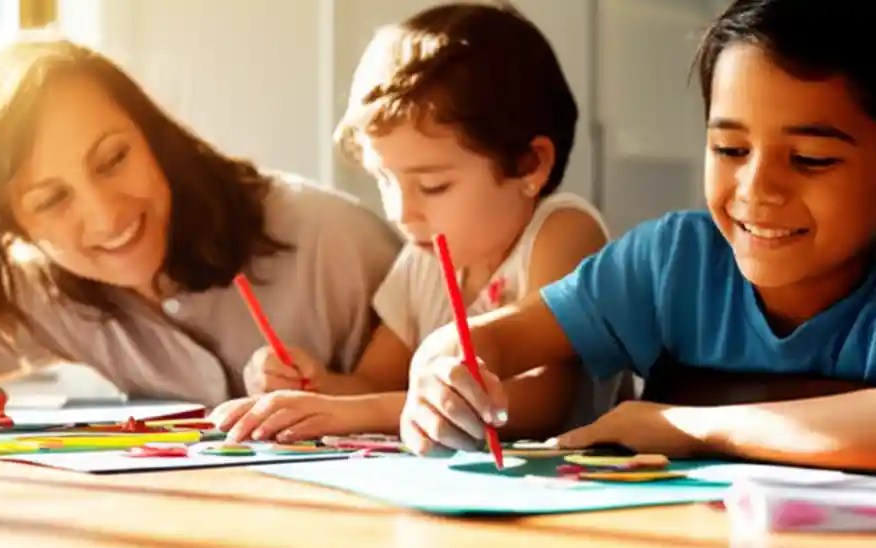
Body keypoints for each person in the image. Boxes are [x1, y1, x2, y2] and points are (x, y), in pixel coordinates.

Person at [399, 0, 876, 478]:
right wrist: (445, 361)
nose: (756, 190)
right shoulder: (673, 262)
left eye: (810, 159)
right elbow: (501, 337)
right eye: (730, 148)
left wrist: (690, 426)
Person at [0, 39, 399, 421]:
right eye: (51, 200)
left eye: (113, 159)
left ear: (151, 137)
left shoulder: (329, 238)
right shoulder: (42, 291)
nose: (107, 216)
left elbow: (473, 385)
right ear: (14, 226)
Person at [213, 2, 610, 444]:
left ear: (529, 164)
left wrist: (348, 413)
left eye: (434, 185)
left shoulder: (563, 231)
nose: (401, 213)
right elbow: (373, 384)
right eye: (384, 180)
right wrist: (308, 389)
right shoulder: (424, 258)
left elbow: (542, 402)